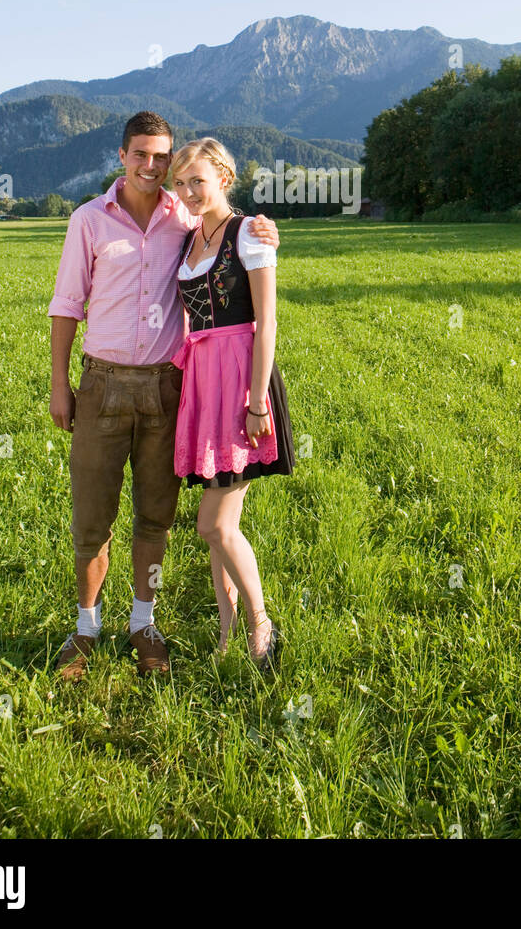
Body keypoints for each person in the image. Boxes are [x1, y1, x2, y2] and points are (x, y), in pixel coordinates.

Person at [47, 112, 279, 682]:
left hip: (170, 389)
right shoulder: (88, 220)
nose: (155, 169)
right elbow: (65, 304)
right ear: (122, 156)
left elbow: (238, 241)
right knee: (91, 519)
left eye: (164, 159)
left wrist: (263, 228)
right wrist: (60, 384)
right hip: (102, 384)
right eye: (143, 156)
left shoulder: (188, 217)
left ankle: (145, 623)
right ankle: (86, 626)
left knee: (158, 519)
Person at [169, 138, 295, 671]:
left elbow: (266, 322)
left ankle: (262, 626)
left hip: (242, 378)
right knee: (218, 522)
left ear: (223, 176)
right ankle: (226, 636)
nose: (189, 192)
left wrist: (258, 400)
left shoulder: (249, 233)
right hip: (202, 381)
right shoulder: (188, 238)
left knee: (214, 525)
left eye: (198, 180)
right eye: (180, 183)